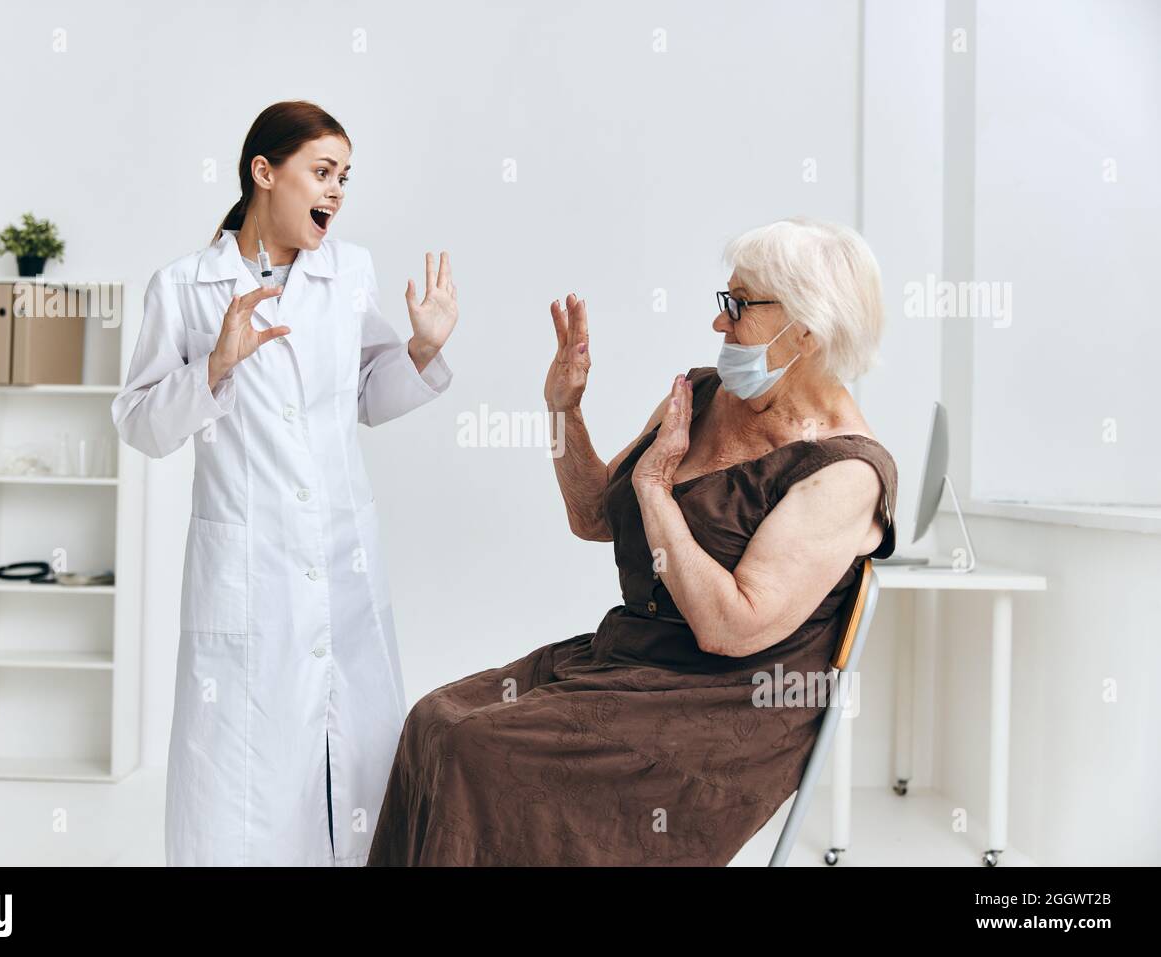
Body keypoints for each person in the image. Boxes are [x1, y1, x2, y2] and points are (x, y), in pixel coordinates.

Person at [367, 217, 896, 866]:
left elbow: (731, 627)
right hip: (629, 656)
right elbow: (593, 514)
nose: (718, 324)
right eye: (721, 302)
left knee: (478, 750)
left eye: (738, 305)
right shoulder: (704, 394)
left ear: (807, 328)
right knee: (435, 720)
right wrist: (564, 410)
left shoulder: (845, 471)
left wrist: (655, 490)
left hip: (719, 703)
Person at [111, 101, 458, 866]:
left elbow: (367, 393)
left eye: (344, 177)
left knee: (356, 763)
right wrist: (214, 368)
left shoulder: (349, 270)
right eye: (322, 172)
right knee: (244, 777)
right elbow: (138, 422)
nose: (336, 191)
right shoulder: (183, 287)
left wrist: (423, 351)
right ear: (264, 173)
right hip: (248, 569)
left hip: (341, 558)